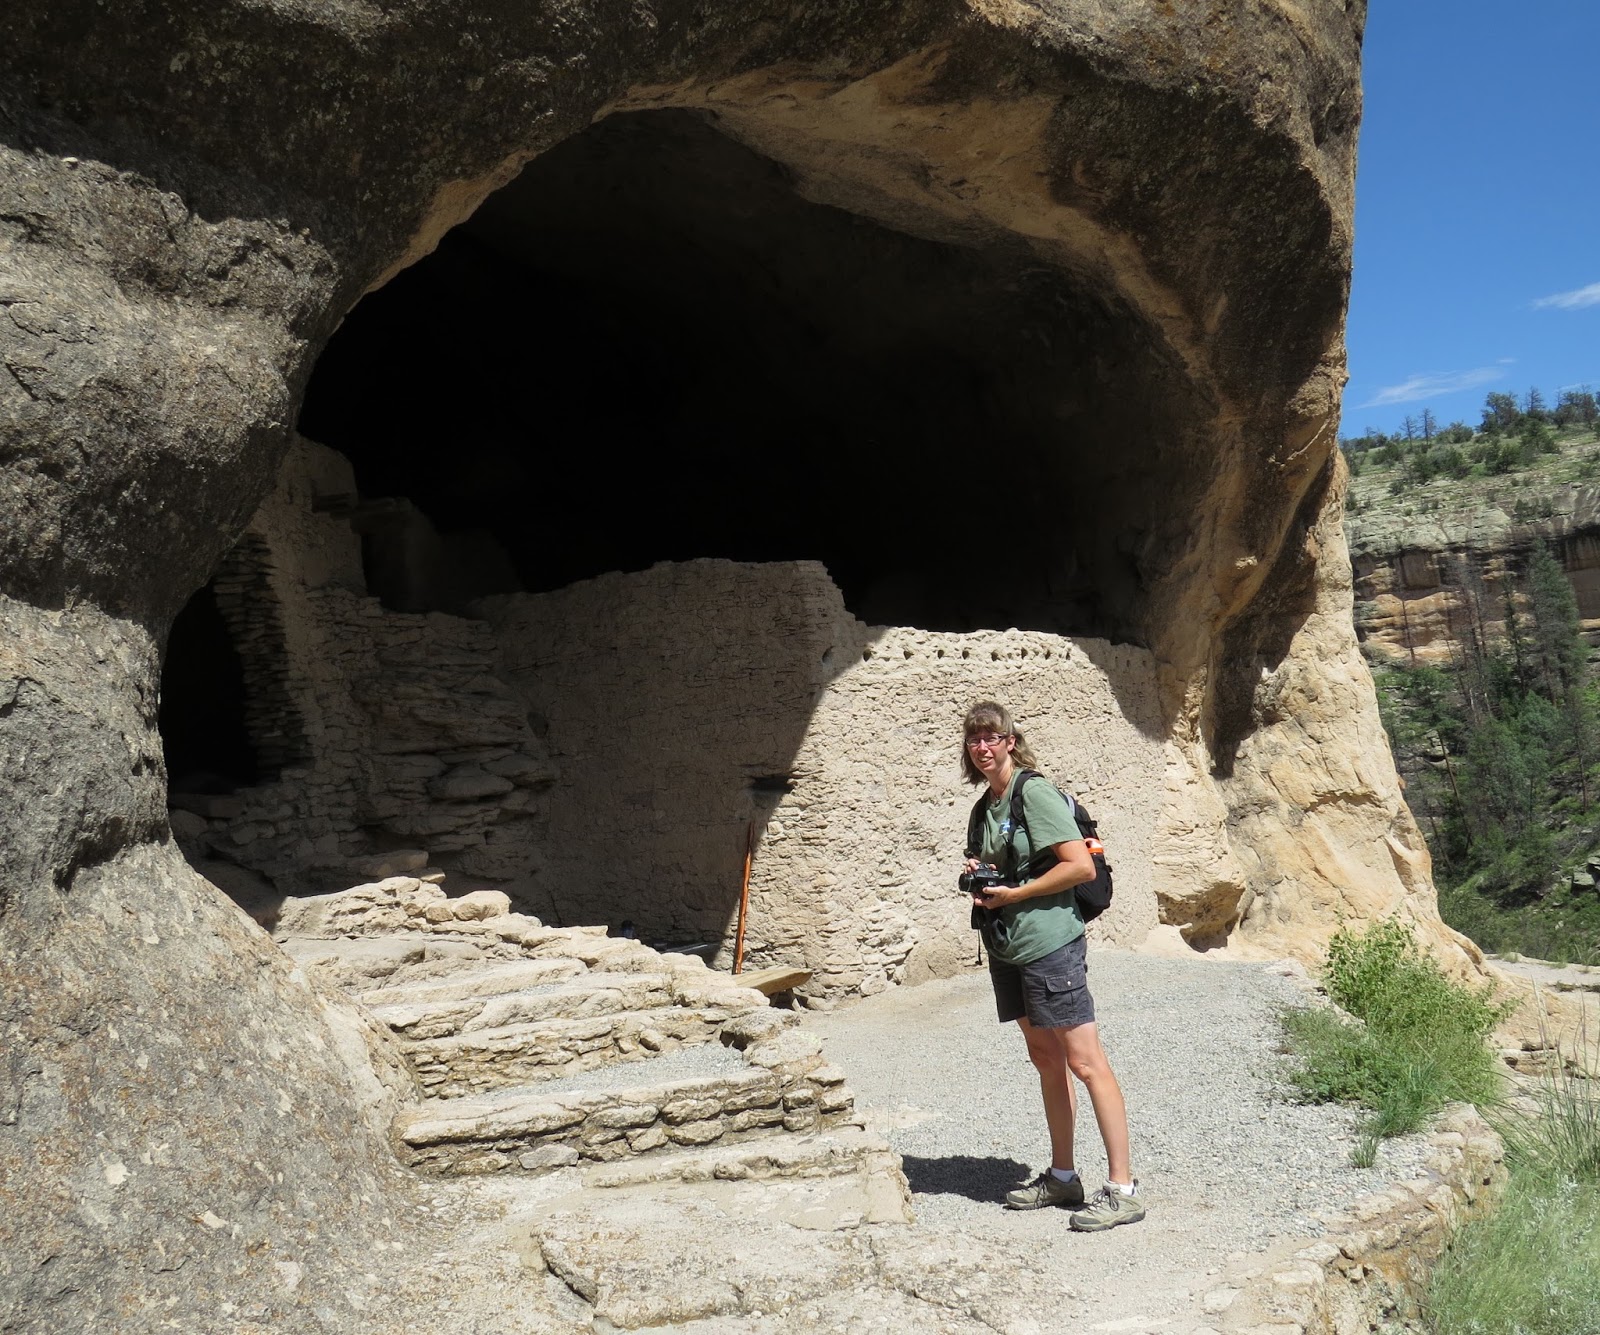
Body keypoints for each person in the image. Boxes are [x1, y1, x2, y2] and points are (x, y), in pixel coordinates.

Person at [960, 700, 1144, 1230]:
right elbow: (1007, 867)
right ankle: (1064, 1177)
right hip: (1010, 947)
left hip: (1050, 945)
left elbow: (1078, 865)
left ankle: (1123, 1189)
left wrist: (1015, 891)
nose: (983, 746)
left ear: (1010, 742)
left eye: (992, 736)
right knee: (1046, 1059)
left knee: (1085, 1062)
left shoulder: (1033, 792)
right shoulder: (985, 808)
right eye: (975, 739)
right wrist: (984, 877)